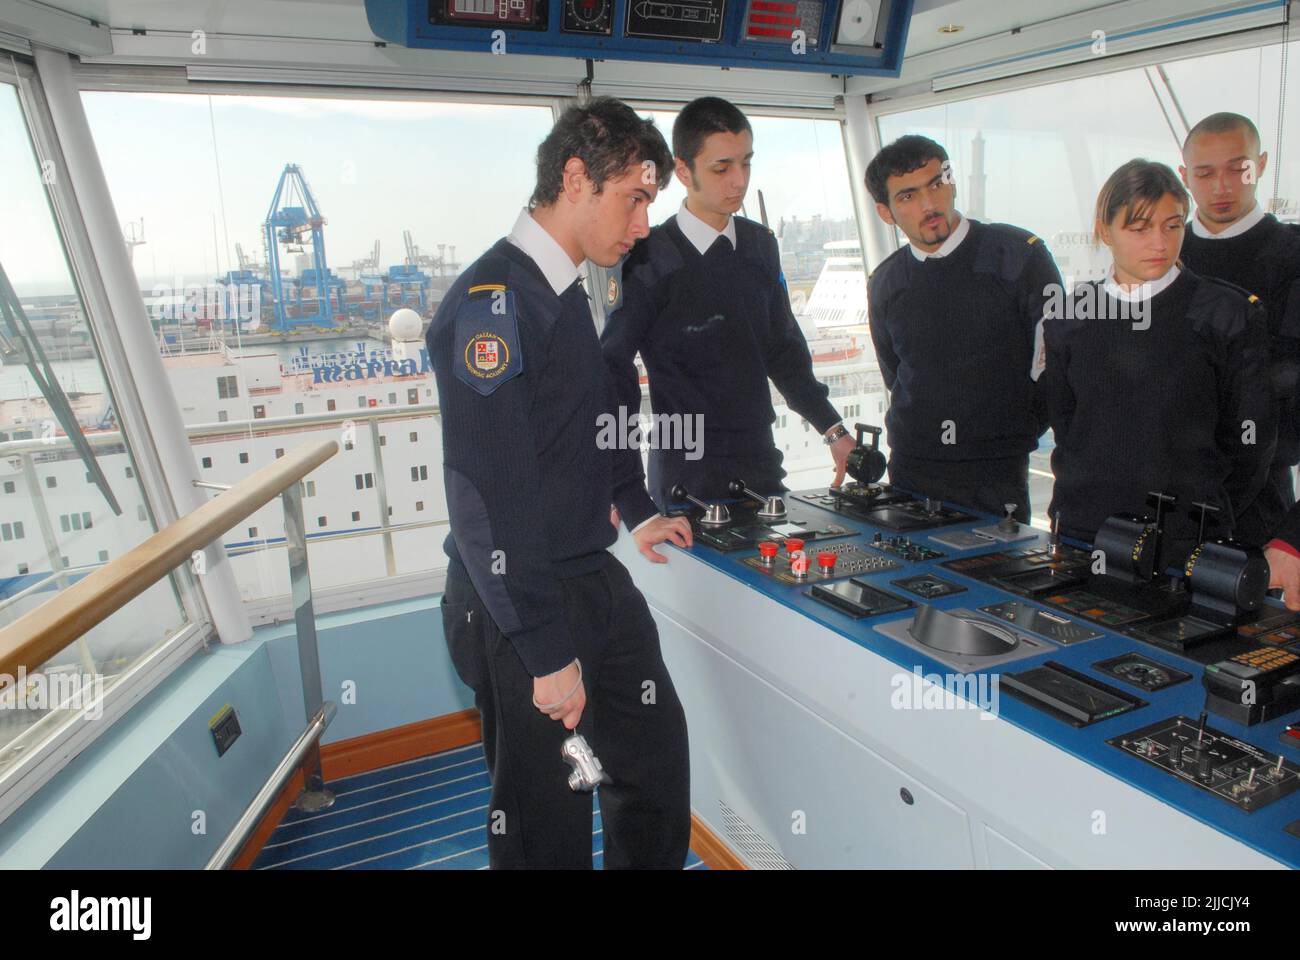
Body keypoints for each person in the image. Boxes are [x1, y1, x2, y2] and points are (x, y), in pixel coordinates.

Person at [427, 97, 692, 868]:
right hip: (516, 600)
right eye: (636, 199)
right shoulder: (494, 306)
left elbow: (591, 422)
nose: (643, 225)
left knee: (653, 773)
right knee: (547, 826)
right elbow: (485, 503)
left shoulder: (567, 290)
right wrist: (545, 652)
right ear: (576, 177)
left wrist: (636, 510)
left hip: (588, 575)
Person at [600, 96, 854, 515]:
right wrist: (618, 483)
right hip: (685, 473)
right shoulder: (647, 259)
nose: (739, 180)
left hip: (759, 463)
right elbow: (612, 367)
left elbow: (784, 354)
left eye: (746, 163)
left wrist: (833, 431)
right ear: (683, 170)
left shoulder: (760, 247)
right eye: (722, 168)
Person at [1040, 158, 1275, 565]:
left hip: (1186, 542)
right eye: (1140, 228)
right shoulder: (1069, 315)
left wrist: (1200, 512)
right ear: (1104, 230)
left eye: (1172, 225)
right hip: (1083, 531)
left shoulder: (1227, 314)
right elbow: (1066, 422)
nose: (1160, 243)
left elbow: (1251, 443)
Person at [864, 135, 1063, 522]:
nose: (929, 204)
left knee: (999, 579)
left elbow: (1052, 367)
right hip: (910, 469)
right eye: (907, 196)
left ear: (951, 183)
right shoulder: (885, 282)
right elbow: (896, 373)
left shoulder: (1019, 257)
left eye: (936, 184)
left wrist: (1005, 436)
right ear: (886, 213)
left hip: (996, 474)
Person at [1178, 112, 1300, 547]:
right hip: (1166, 491)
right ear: (1184, 176)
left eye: (1239, 168)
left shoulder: (1293, 255)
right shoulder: (1161, 256)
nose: (1222, 186)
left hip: (1264, 501)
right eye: (1205, 173)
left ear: (1261, 164)